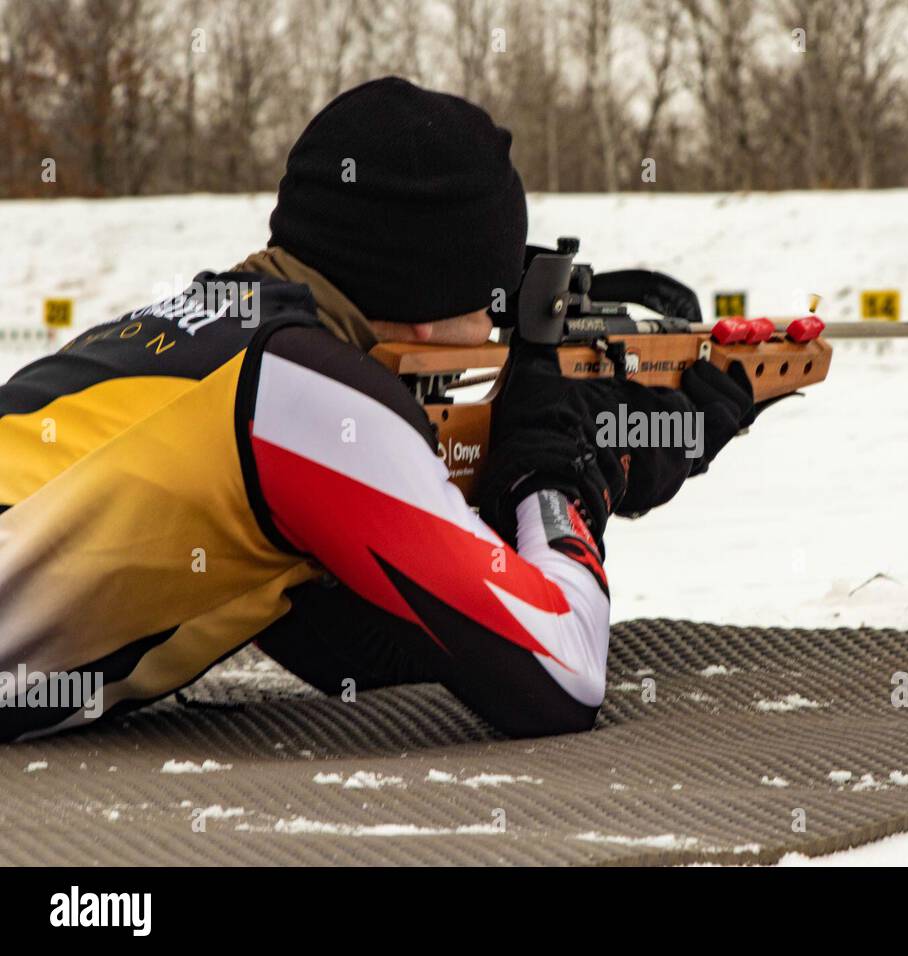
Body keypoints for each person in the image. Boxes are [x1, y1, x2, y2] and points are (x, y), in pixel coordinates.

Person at [0, 77, 754, 742]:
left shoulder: (216, 327)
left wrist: (539, 490)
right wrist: (561, 486)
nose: (497, 327)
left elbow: (361, 653)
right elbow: (561, 675)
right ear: (429, 301)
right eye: (495, 296)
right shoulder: (309, 389)